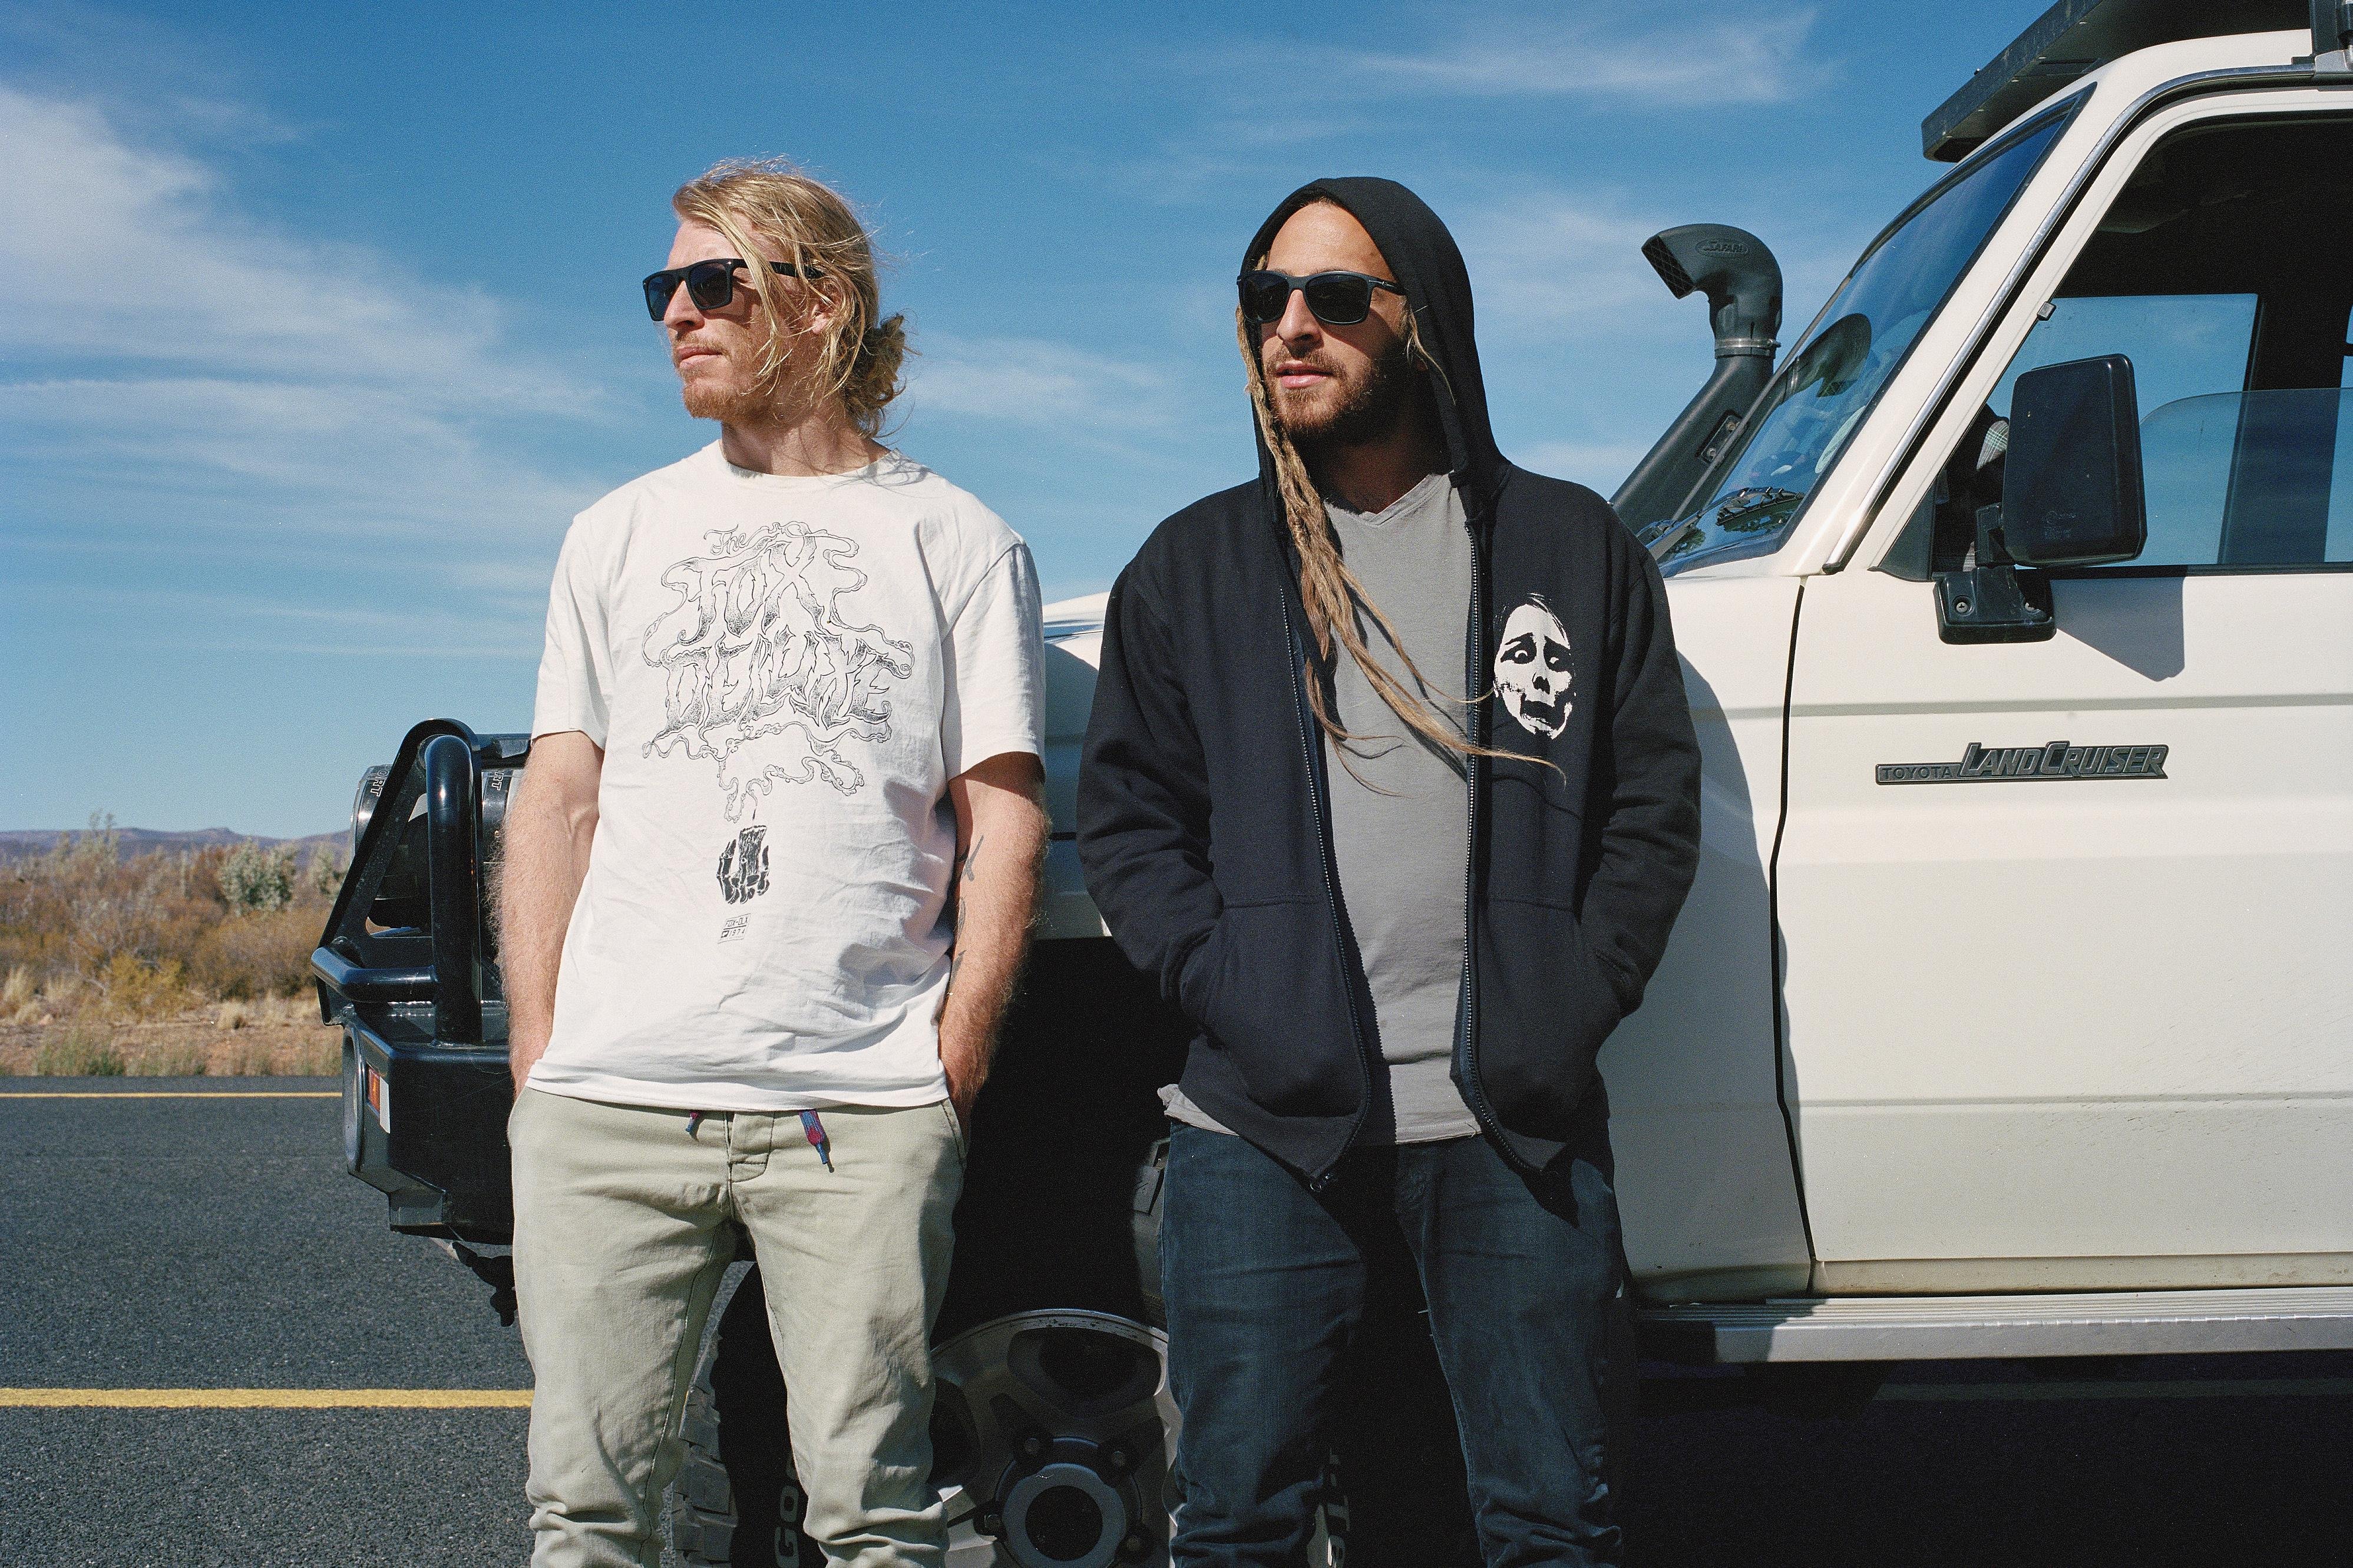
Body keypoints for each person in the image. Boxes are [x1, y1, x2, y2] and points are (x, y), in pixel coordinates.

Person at [1076, 178, 1702, 1566]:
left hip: (1510, 1122)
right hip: (1260, 1125)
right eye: (1264, 299)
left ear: (1419, 319)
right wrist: (1235, 988)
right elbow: (1127, 820)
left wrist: (1571, 992)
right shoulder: (1190, 567)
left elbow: (1650, 806)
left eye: (1333, 297)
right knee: (1237, 1518)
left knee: (1551, 1517)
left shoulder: (1565, 546)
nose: (1289, 327)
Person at [500, 158, 1048, 1568]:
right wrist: (540, 1049)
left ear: (822, 303)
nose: (676, 314)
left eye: (713, 282)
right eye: (662, 288)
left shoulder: (957, 540)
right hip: (610, 1100)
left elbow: (1000, 813)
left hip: (854, 1103)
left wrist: (952, 1056)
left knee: (875, 1516)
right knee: (586, 1516)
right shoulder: (614, 532)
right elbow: (561, 794)